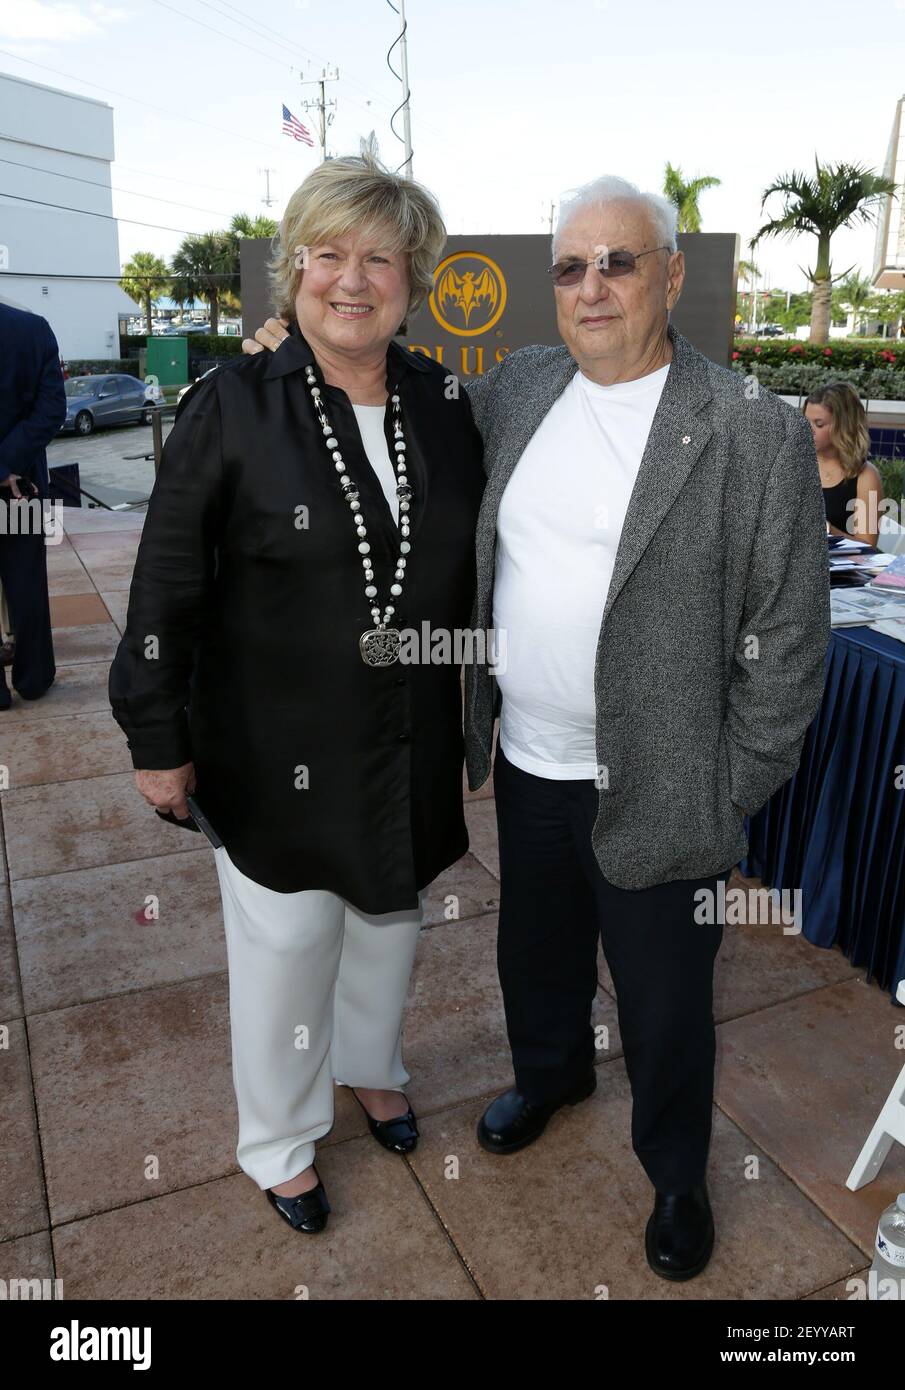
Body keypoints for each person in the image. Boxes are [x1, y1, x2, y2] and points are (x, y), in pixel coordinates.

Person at [245, 174, 831, 1281]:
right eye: (570, 266)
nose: (591, 285)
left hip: (666, 782)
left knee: (664, 1003)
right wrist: (294, 343)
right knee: (536, 951)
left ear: (670, 275)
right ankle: (551, 1071)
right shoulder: (515, 387)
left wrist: (729, 783)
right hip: (525, 758)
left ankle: (673, 1177)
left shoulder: (746, 432)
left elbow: (788, 639)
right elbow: (385, 401)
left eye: (617, 261)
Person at [108, 140, 486, 1235]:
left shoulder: (445, 402)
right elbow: (164, 586)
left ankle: (371, 1066)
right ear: (294, 268)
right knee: (285, 948)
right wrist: (153, 734)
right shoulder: (234, 402)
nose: (353, 278)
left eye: (380, 256)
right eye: (329, 254)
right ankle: (278, 1142)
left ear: (412, 280)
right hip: (270, 744)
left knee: (388, 920)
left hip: (406, 733)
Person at [0, 301, 64, 708]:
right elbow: (52, 410)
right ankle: (34, 676)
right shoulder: (33, 328)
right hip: (20, 487)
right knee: (27, 585)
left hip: (17, 481)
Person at [803, 382, 882, 546]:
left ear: (844, 425)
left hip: (837, 569)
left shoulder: (866, 477)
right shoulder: (795, 463)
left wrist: (827, 529)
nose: (807, 430)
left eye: (819, 424)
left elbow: (867, 547)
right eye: (805, 421)